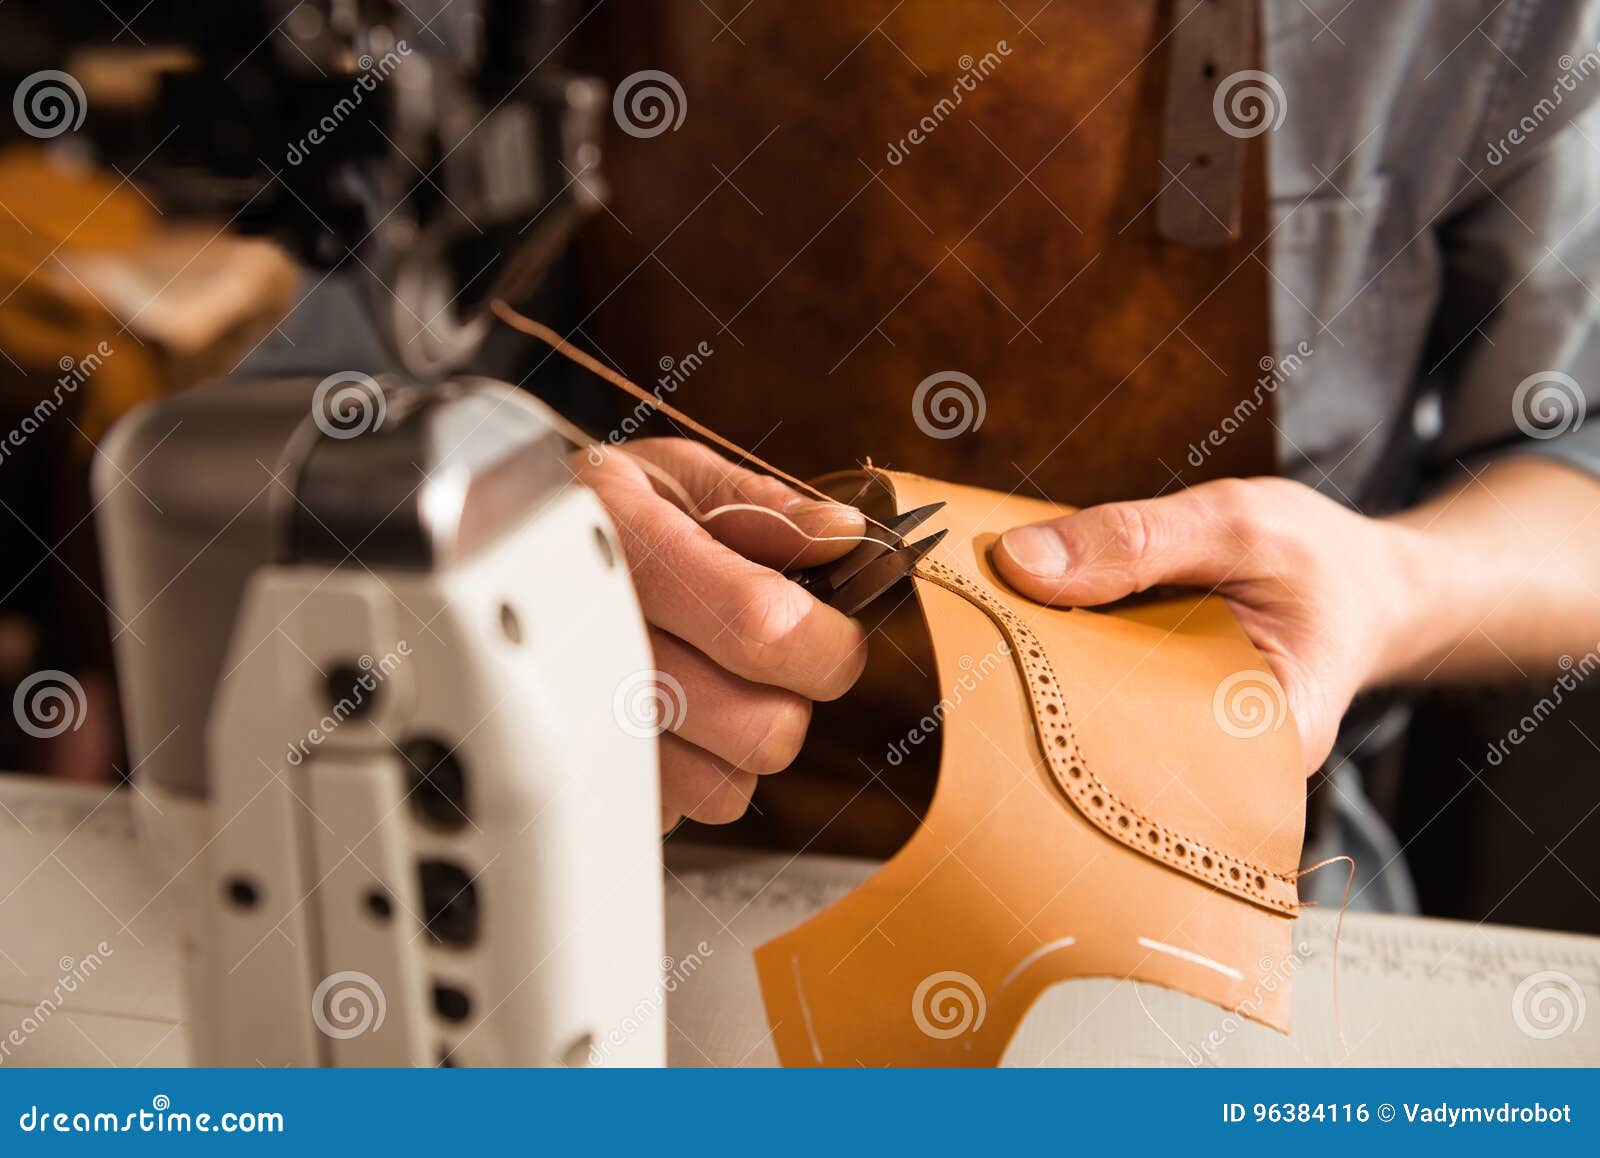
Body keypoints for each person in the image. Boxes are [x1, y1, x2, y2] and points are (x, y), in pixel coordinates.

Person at [566, 2, 1600, 912]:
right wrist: (530, 535)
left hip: (1229, 892)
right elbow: (411, 363)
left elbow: (1574, 457)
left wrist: (1387, 586)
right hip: (625, 858)